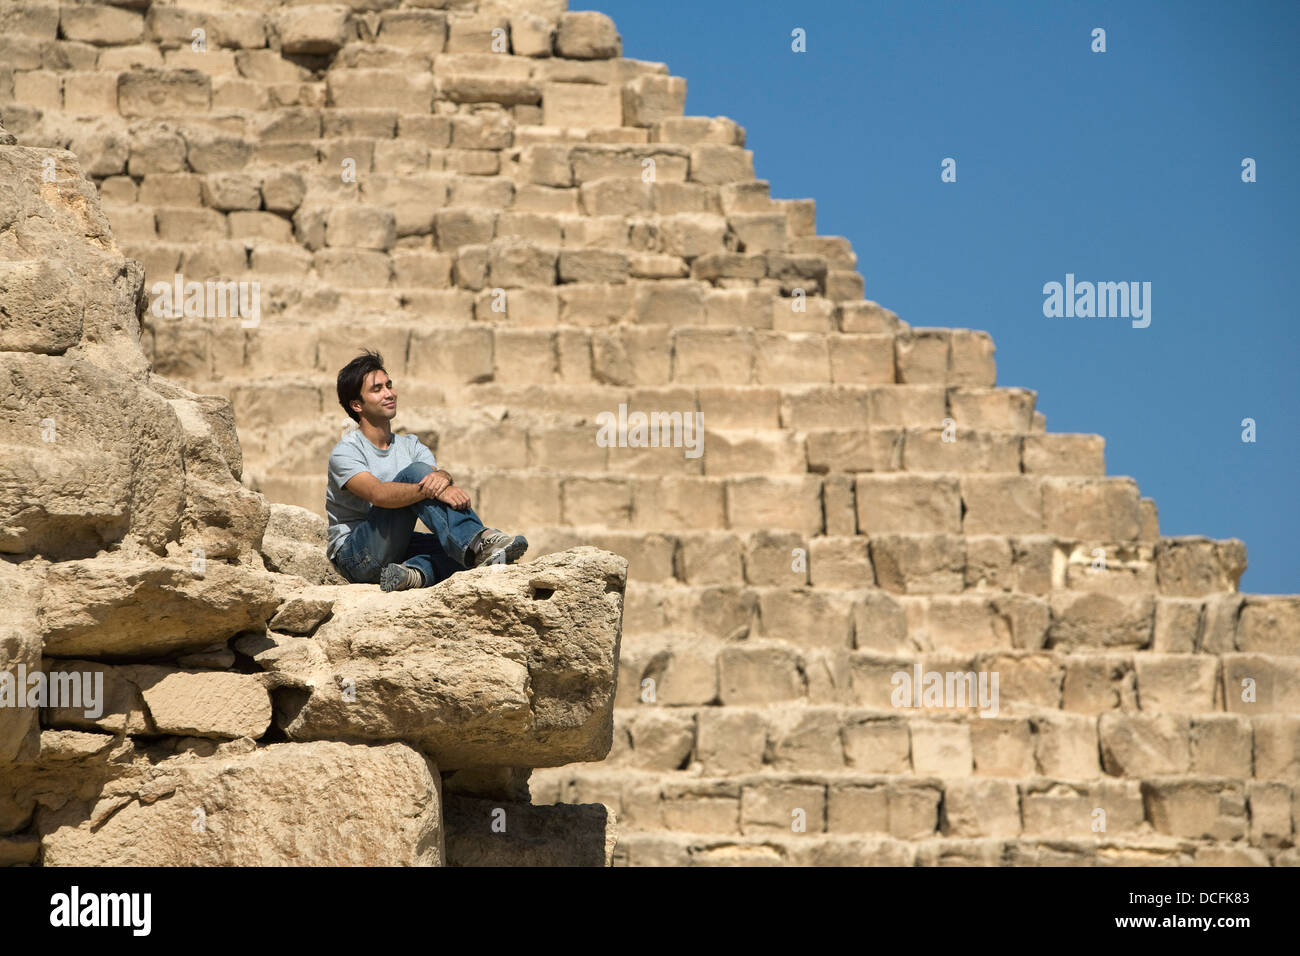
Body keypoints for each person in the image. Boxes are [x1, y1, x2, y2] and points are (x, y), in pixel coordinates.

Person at [325, 350, 527, 590]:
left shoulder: (411, 445)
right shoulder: (345, 452)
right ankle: (477, 540)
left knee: (466, 554)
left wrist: (443, 477)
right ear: (357, 405)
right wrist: (435, 486)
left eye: (389, 385)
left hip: (398, 545)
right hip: (357, 555)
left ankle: (415, 573)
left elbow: (434, 481)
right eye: (377, 389)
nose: (389, 393)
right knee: (417, 472)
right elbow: (378, 493)